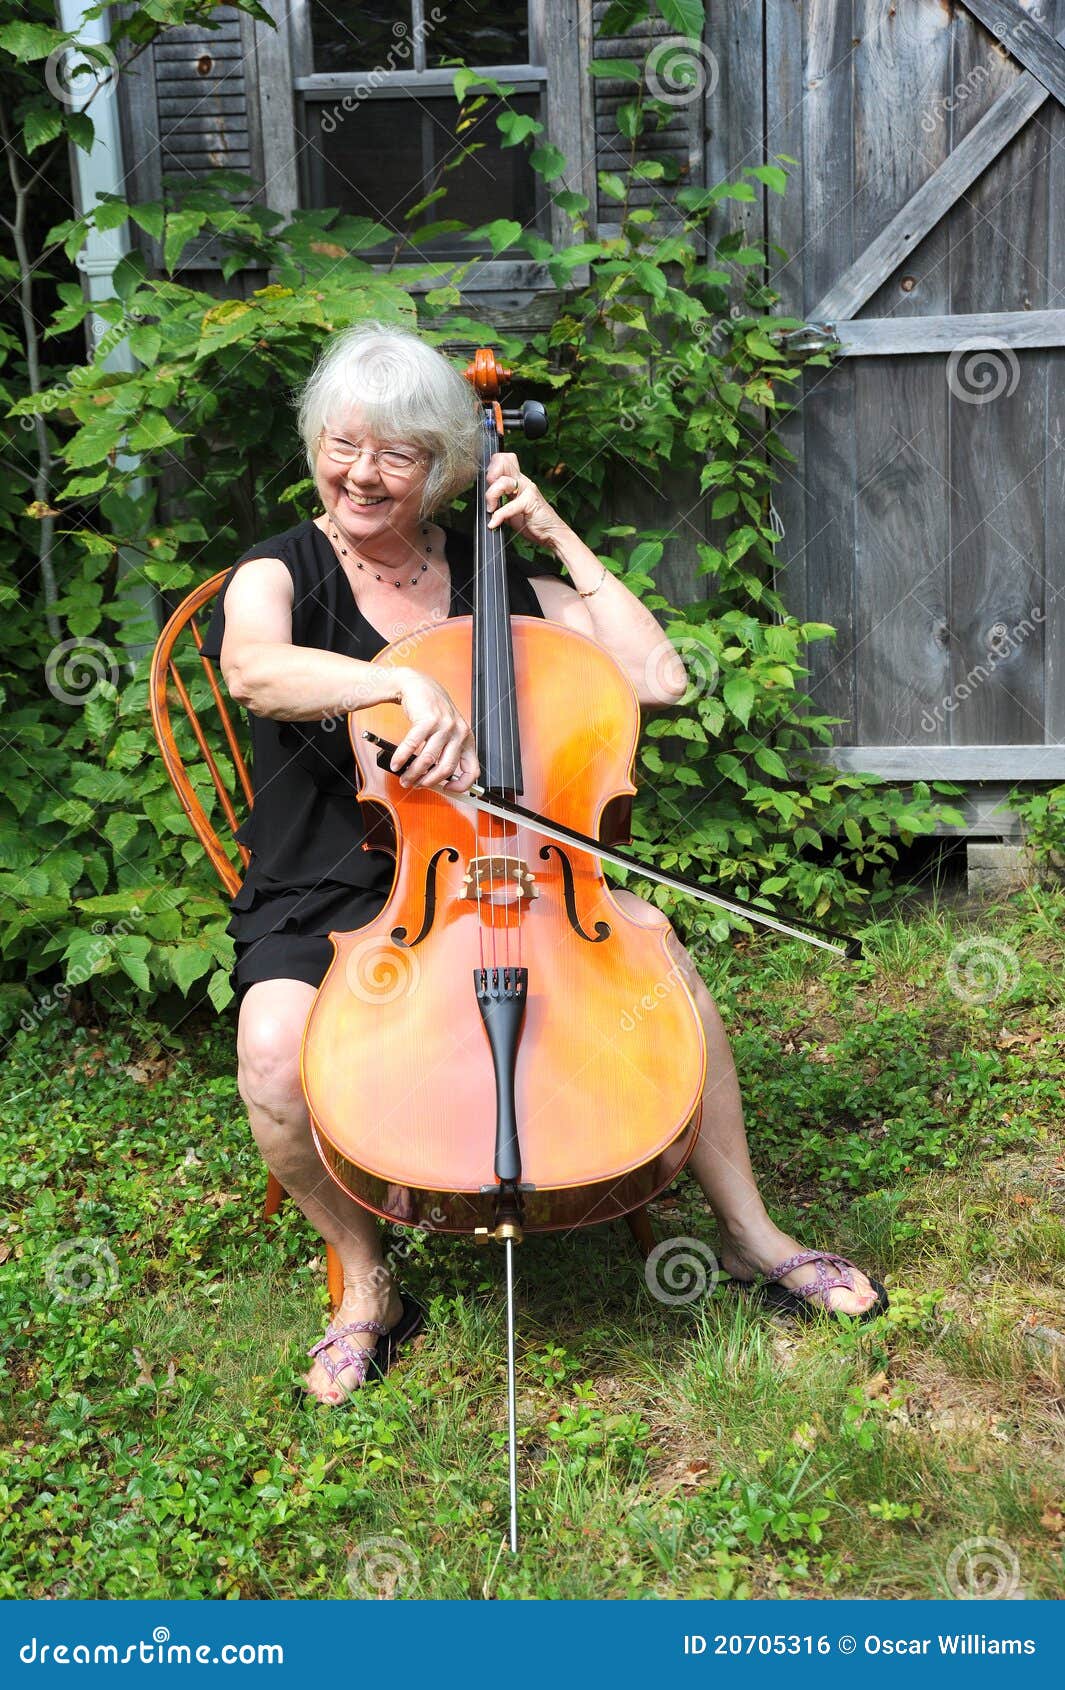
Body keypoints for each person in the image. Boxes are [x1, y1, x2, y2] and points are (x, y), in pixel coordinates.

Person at [201, 322, 887, 1406]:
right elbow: (252, 670)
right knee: (273, 1050)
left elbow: (657, 678)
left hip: (513, 869)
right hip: (333, 889)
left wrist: (562, 539)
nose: (362, 475)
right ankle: (369, 1285)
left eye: (395, 455)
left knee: (660, 969)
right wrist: (395, 684)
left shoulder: (497, 580)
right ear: (313, 445)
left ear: (442, 469)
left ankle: (755, 1234)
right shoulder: (278, 570)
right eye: (343, 445)